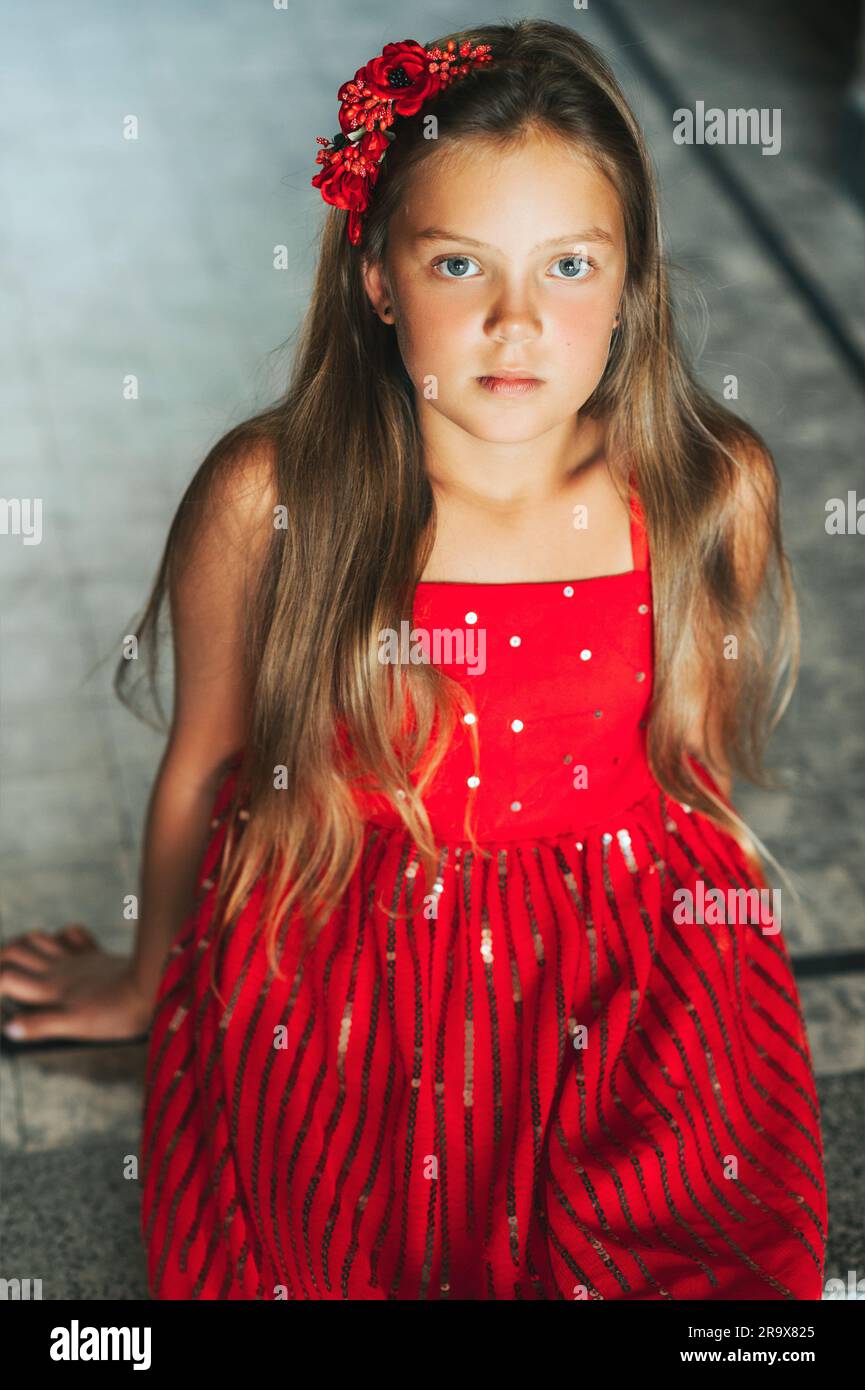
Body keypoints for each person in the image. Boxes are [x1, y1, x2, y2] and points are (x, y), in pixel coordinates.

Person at [0, 20, 828, 1300]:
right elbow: (207, 758)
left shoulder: (706, 488)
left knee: (696, 1279)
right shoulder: (272, 490)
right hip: (341, 948)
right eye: (459, 264)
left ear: (630, 278)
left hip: (620, 960)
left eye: (567, 266)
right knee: (324, 1257)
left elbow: (686, 776)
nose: (516, 322)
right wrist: (144, 976)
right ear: (379, 276)